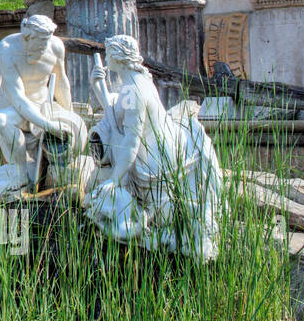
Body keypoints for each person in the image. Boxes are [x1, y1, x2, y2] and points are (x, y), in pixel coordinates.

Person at [84, 34, 224, 259]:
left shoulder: (133, 90)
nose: (107, 58)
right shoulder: (138, 81)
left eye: (109, 54)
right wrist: (99, 88)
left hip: (153, 164)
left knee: (105, 181)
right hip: (162, 150)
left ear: (118, 57)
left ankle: (152, 232)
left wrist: (115, 179)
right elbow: (118, 112)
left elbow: (131, 139)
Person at [0, 14, 88, 192]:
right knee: (1, 120)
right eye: (40, 42)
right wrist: (49, 126)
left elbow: (61, 83)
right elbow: (18, 98)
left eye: (47, 40)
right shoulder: (7, 48)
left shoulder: (55, 46)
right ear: (27, 37)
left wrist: (70, 115)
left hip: (44, 106)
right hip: (17, 108)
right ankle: (21, 172)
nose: (45, 46)